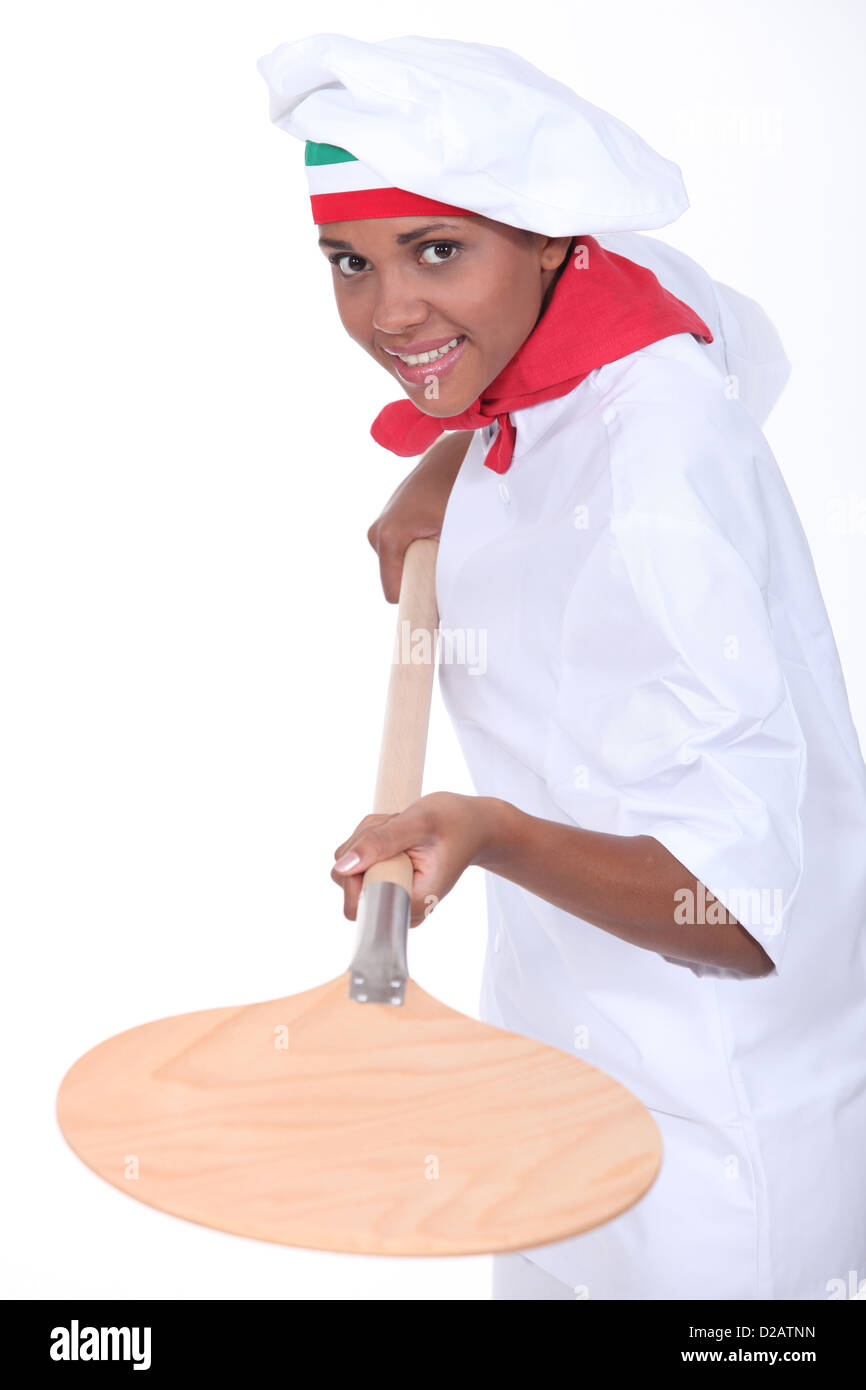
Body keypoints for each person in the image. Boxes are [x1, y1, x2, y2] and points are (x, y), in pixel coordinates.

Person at [258, 33, 866, 1301]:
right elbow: (715, 318)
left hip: (707, 1148)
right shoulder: (605, 333)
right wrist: (450, 458)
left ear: (545, 236)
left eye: (437, 250)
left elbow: (736, 914)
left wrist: (484, 832)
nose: (388, 312)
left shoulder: (656, 473)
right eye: (348, 263)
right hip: (550, 1087)